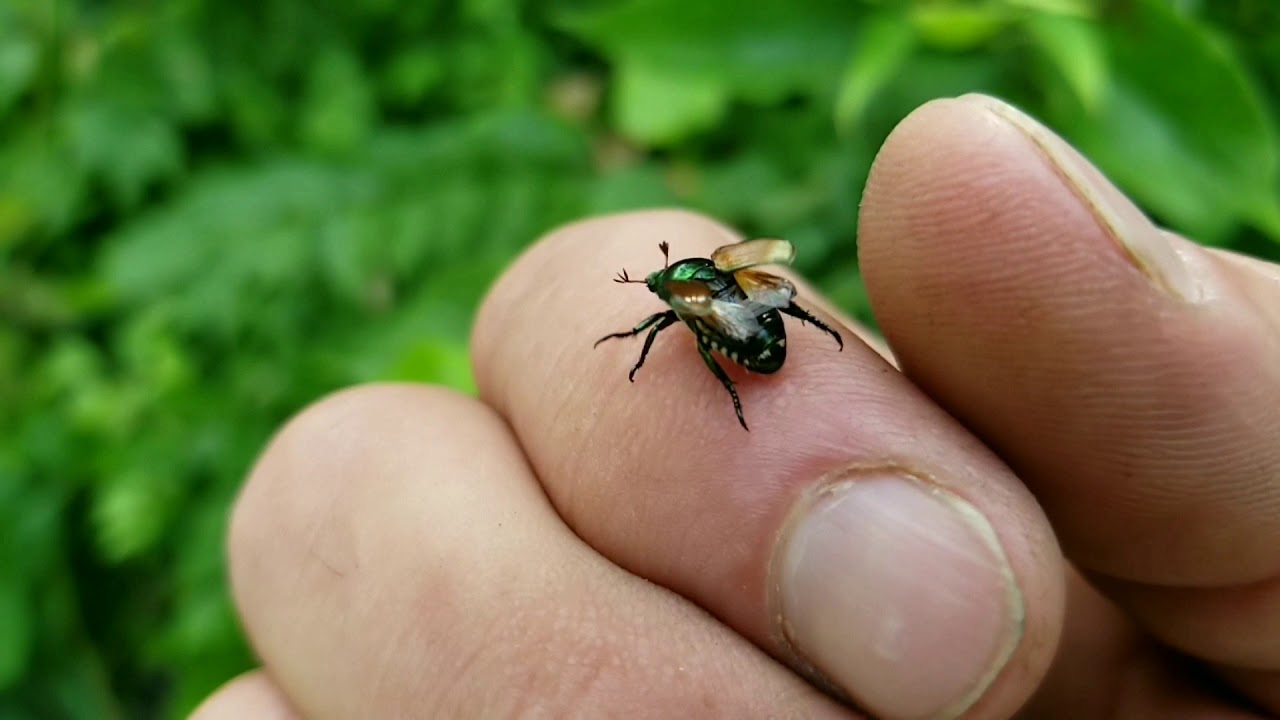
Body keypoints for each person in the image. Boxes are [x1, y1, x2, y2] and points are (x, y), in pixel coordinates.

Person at [191, 95, 1280, 719]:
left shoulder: (695, 300)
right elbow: (750, 290)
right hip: (762, 341)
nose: (667, 300)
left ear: (681, 287)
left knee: (741, 362)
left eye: (667, 290)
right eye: (670, 294)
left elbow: (744, 295)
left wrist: (749, 344)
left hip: (764, 348)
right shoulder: (707, 291)